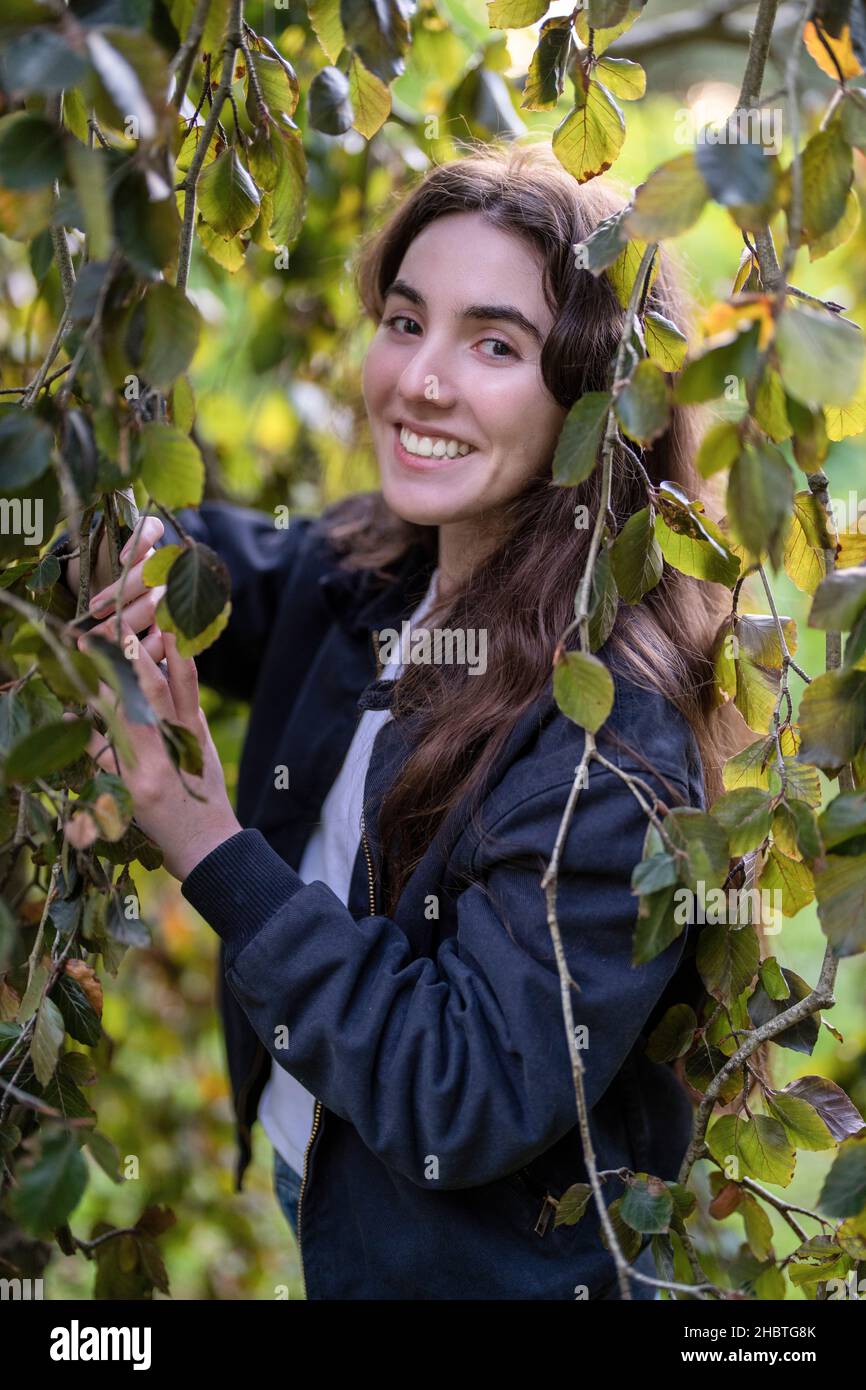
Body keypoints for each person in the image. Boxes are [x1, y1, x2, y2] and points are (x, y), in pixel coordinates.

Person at [62, 142, 739, 1300]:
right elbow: (260, 573)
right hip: (323, 1178)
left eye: (493, 344)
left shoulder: (609, 743)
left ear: (592, 401)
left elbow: (462, 1085)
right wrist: (139, 552)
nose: (419, 381)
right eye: (403, 320)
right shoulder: (383, 570)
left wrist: (209, 845)